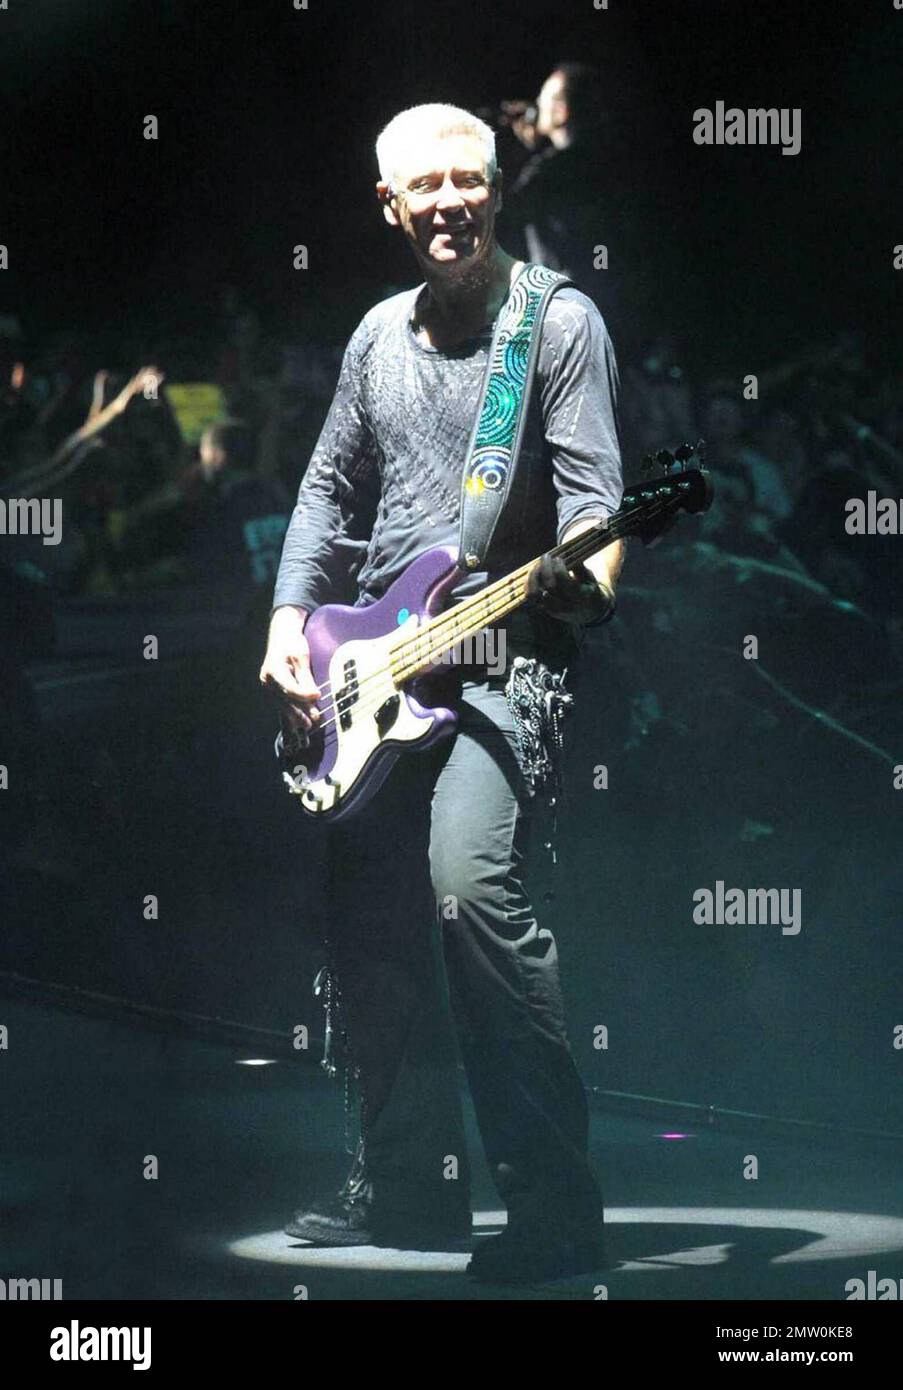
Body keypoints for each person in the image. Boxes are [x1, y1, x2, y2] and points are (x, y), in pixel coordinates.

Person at [259, 102, 624, 1284]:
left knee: (466, 892)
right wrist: (285, 626)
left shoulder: (556, 325)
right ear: (391, 206)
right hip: (370, 674)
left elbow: (595, 515)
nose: (451, 203)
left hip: (506, 666)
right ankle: (409, 1190)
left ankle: (556, 1213)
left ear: (499, 188)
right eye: (427, 188)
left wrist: (590, 576)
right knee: (368, 931)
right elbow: (322, 499)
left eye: (469, 180)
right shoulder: (374, 339)